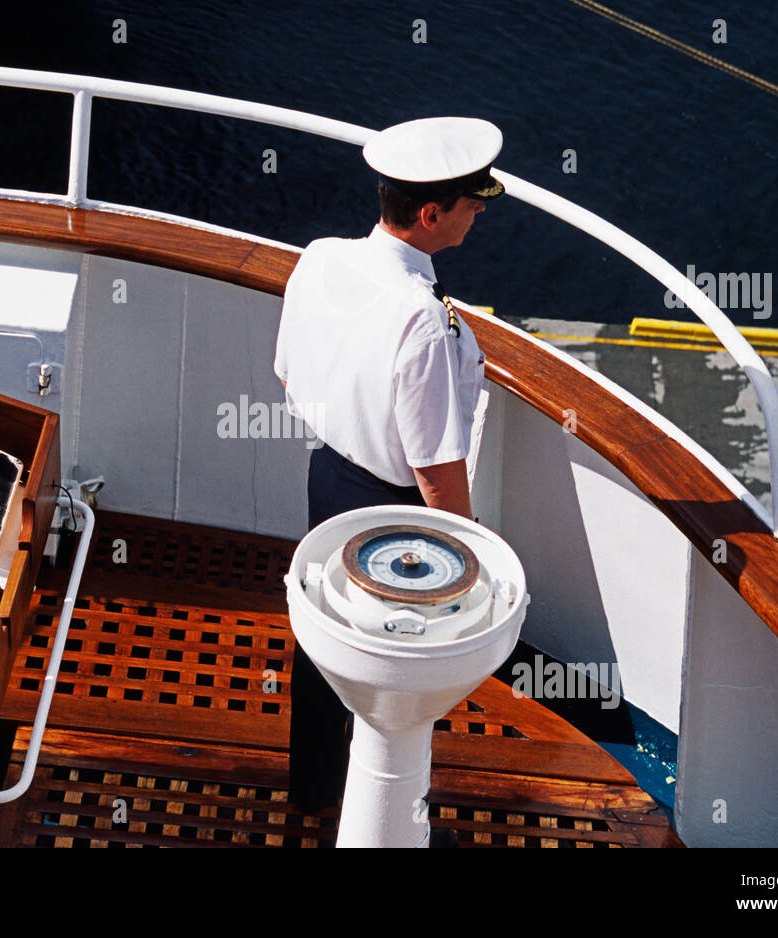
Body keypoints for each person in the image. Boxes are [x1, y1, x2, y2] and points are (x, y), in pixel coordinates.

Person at [273, 117, 504, 814]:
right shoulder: (422, 320)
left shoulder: (319, 257)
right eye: (473, 204)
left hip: (329, 480)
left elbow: (288, 376)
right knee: (397, 677)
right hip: (394, 513)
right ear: (430, 215)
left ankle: (313, 794)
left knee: (325, 641)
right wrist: (473, 564)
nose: (479, 215)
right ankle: (392, 819)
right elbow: (434, 467)